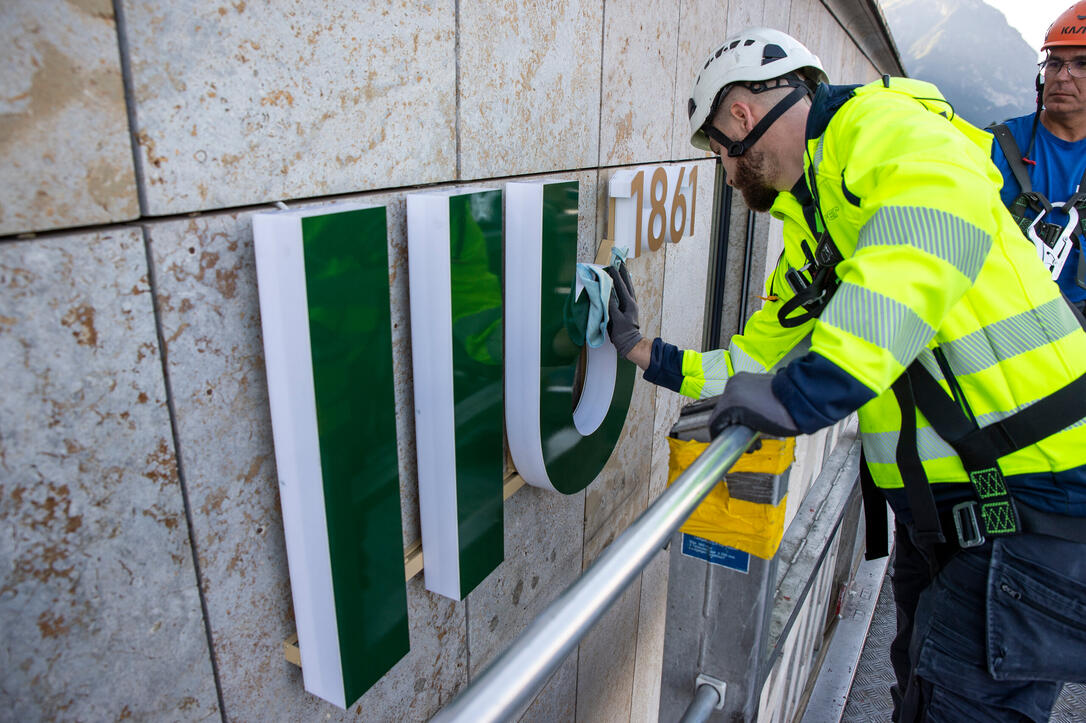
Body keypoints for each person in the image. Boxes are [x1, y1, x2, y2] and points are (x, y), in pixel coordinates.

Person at [606, 26, 1086, 722]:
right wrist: (642, 351)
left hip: (1032, 506)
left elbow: (924, 237)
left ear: (740, 117)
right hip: (955, 521)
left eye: (715, 146)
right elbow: (756, 362)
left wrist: (802, 394)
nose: (723, 167)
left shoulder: (886, 129)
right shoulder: (817, 220)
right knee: (917, 696)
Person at [989, 2, 1086, 315]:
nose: (1062, 76)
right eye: (1055, 63)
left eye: (1082, 64)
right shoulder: (994, 147)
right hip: (1002, 318)